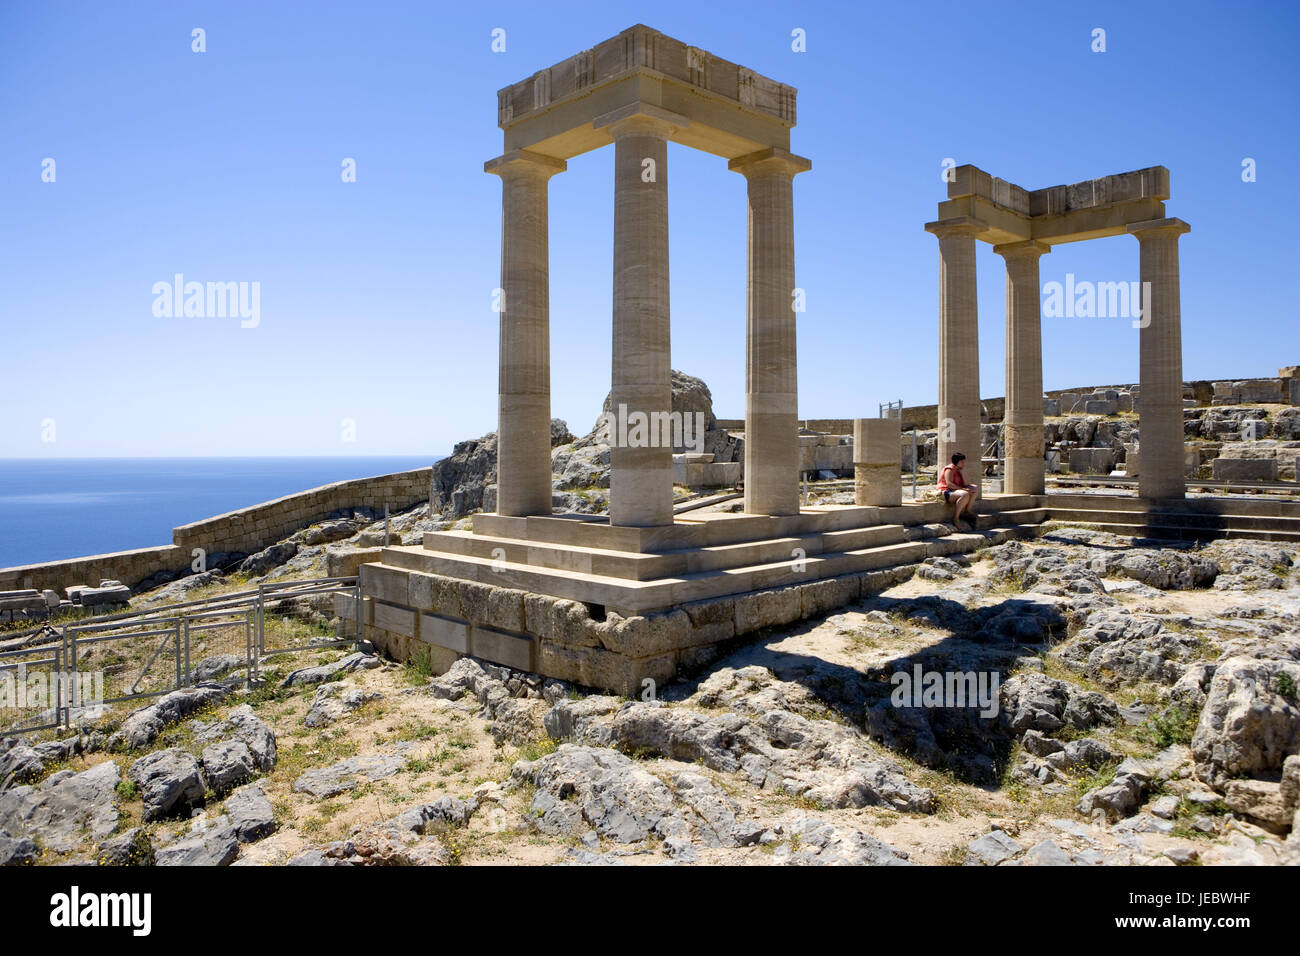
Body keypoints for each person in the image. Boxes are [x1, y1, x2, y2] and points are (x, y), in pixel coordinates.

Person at [938, 452, 979, 529]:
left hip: (955, 491)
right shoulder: (949, 469)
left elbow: (963, 484)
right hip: (946, 491)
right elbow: (949, 484)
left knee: (974, 488)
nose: (964, 464)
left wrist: (967, 487)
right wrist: (963, 489)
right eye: (962, 462)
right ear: (957, 462)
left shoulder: (958, 470)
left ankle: (967, 511)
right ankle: (955, 517)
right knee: (964, 494)